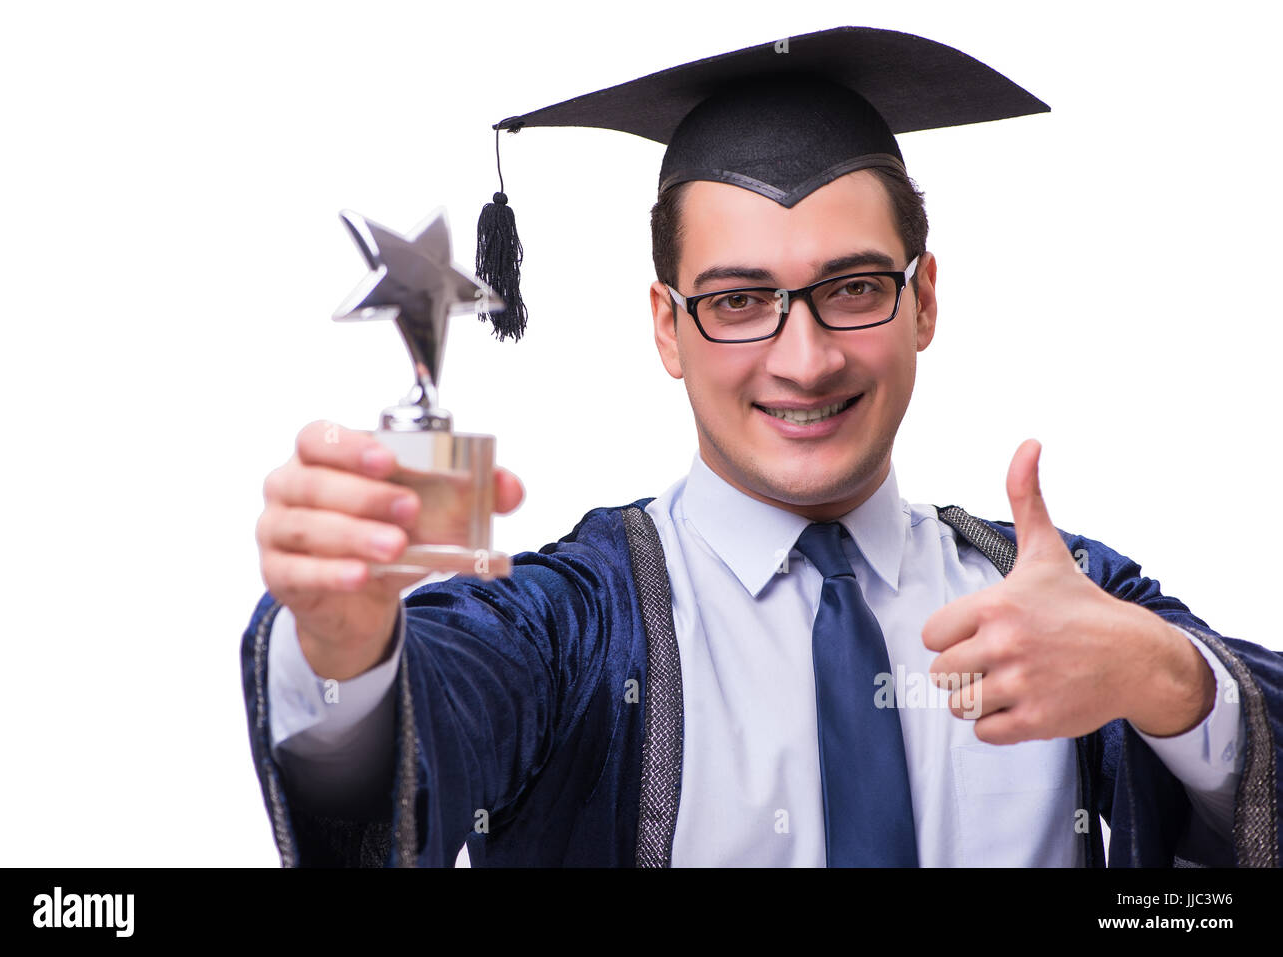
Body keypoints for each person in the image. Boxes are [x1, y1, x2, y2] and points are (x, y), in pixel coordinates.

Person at [240, 26, 1283, 867]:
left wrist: (1166, 680)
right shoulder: (573, 628)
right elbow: (407, 754)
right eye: (739, 301)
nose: (806, 357)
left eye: (853, 288)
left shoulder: (1053, 601)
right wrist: (344, 650)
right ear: (666, 327)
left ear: (923, 300)